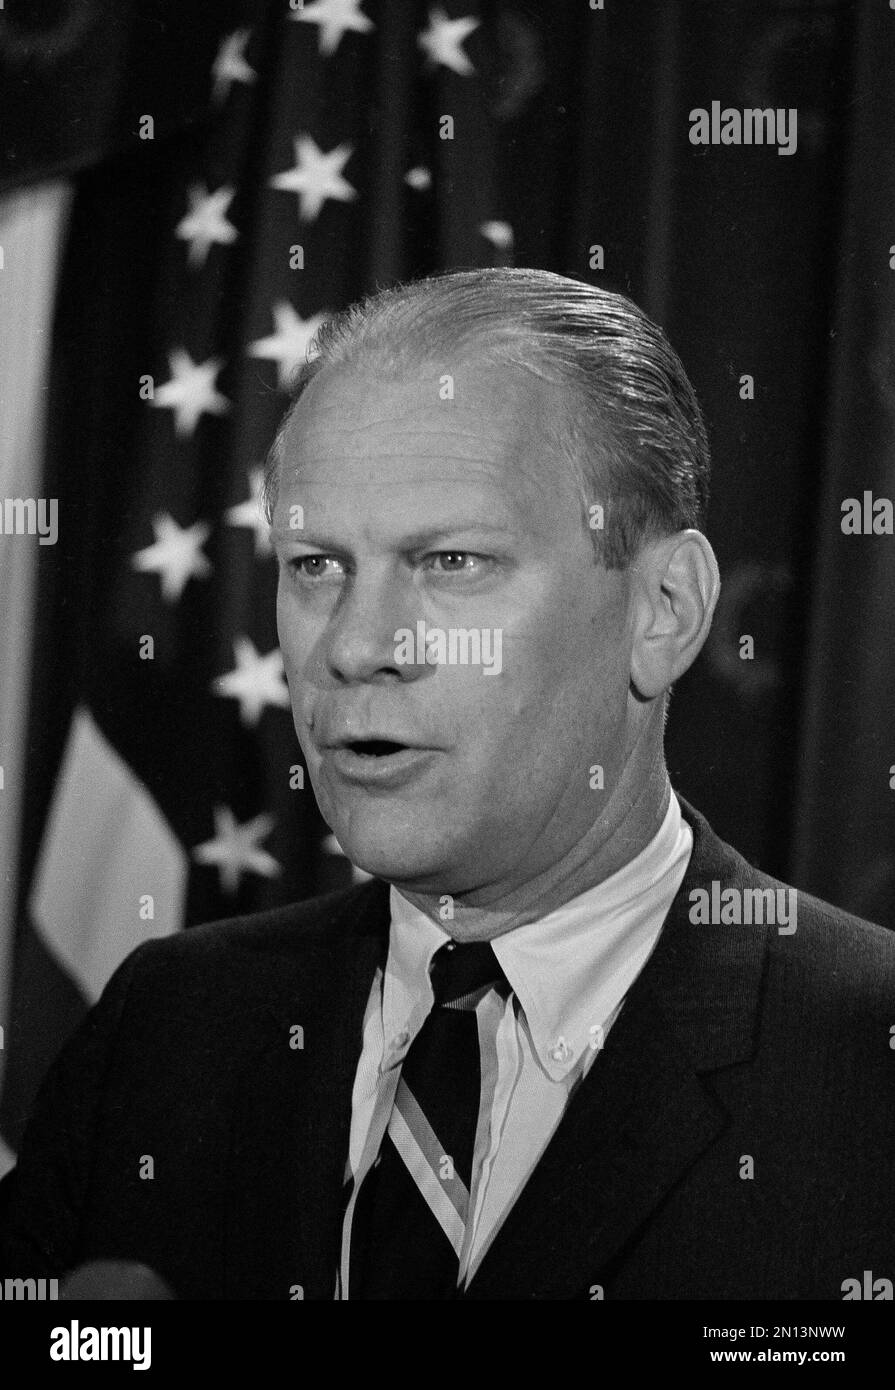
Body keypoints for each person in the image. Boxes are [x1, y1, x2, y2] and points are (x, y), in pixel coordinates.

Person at [2, 268, 893, 1300]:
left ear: (663, 609)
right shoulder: (163, 1029)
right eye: (315, 566)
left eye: (453, 561)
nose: (359, 645)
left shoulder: (865, 1064)